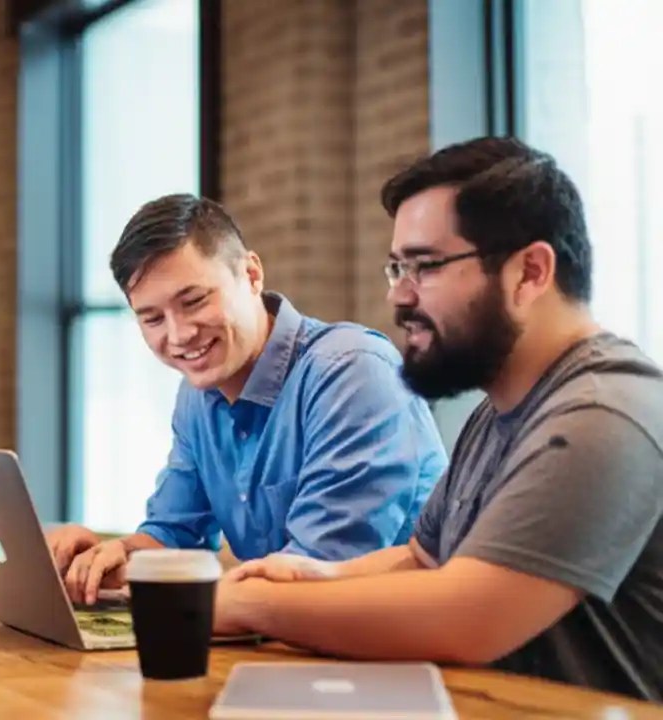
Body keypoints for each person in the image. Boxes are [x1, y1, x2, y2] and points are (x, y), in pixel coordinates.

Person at [214, 137, 662, 701]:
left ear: (529, 272)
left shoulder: (603, 412)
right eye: (396, 267)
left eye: (424, 266)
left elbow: (470, 617)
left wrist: (252, 605)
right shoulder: (499, 409)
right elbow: (422, 558)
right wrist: (311, 575)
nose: (399, 296)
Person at [48, 193, 447, 606]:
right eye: (152, 319)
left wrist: (181, 590)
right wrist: (109, 562)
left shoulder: (352, 372)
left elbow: (317, 571)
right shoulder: (197, 395)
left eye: (195, 301)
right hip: (287, 642)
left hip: (396, 647)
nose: (180, 335)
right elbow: (175, 533)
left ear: (252, 275)